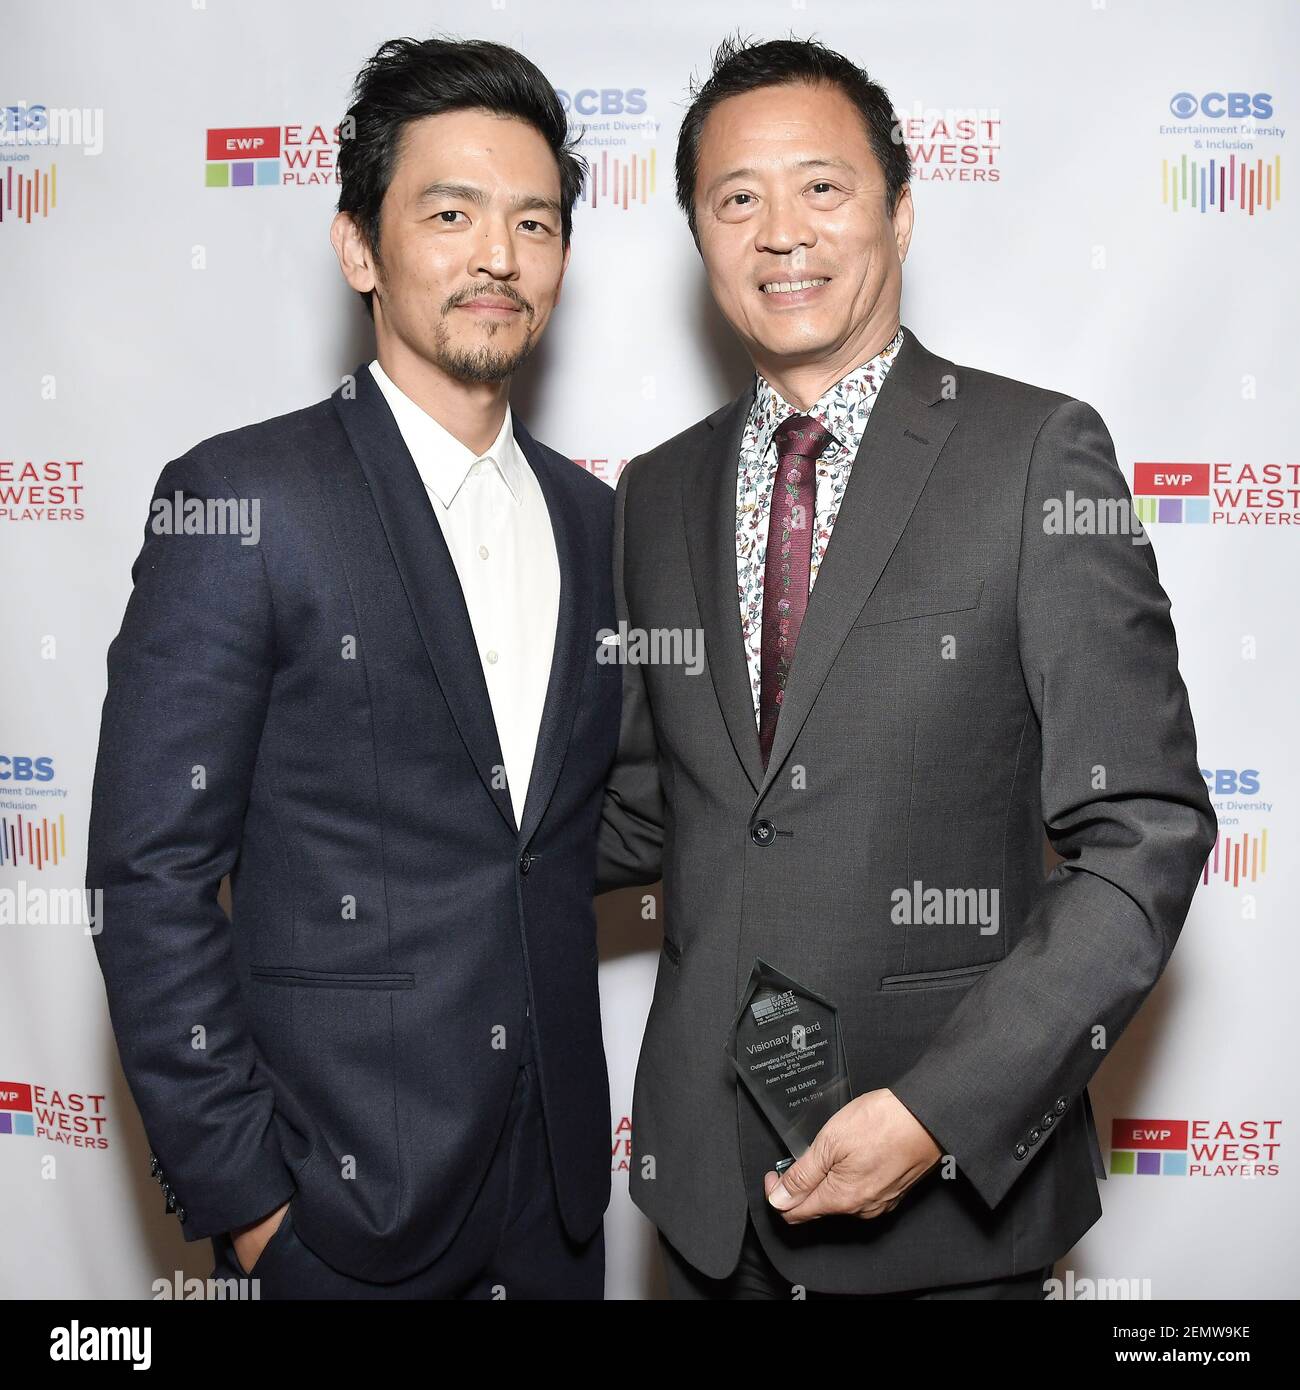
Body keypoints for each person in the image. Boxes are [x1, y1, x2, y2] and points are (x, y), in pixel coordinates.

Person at [597, 34, 1216, 1300]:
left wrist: (939, 1111)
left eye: (822, 187)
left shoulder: (1035, 454)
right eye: (736, 199)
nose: (782, 234)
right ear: (699, 237)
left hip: (950, 1222)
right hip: (710, 1222)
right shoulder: (655, 495)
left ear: (901, 208)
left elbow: (1142, 831)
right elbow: (647, 807)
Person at [87, 36, 620, 1299]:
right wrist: (251, 1206)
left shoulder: (597, 526)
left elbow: (566, 832)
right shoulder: (243, 499)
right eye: (450, 212)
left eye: (533, 221)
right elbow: (147, 874)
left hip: (557, 1212)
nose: (498, 254)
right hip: (337, 1219)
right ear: (359, 249)